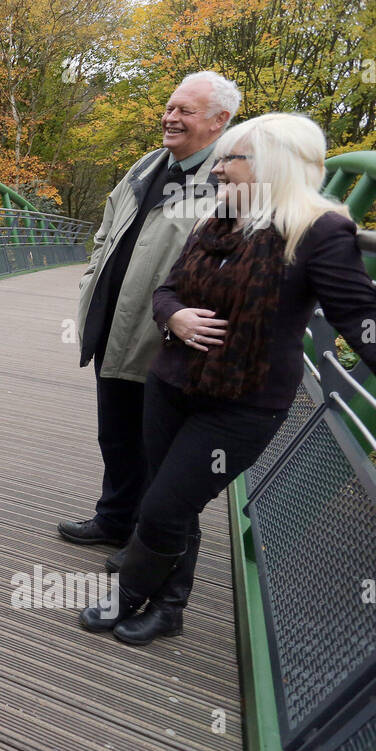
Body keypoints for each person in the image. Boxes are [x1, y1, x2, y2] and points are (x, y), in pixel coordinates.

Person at [79, 112, 376, 644]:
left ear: (271, 166)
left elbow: (362, 317)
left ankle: (128, 594)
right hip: (170, 382)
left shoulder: (318, 230)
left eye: (230, 160)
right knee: (174, 505)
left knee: (166, 504)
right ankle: (169, 609)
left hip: (244, 401)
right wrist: (175, 317)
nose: (218, 171)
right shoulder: (218, 219)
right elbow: (167, 291)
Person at [63, 71, 242, 555]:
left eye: (185, 110)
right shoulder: (147, 165)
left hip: (169, 337)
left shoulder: (228, 179)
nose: (170, 117)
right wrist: (92, 275)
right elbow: (107, 226)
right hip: (114, 323)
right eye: (169, 107)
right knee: (116, 435)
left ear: (219, 120)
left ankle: (146, 544)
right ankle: (114, 519)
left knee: (158, 448)